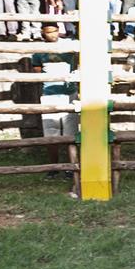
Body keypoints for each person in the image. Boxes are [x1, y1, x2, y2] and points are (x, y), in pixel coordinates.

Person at [30, 22, 79, 182]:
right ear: (43, 33)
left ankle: (71, 168)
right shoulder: (39, 50)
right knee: (51, 133)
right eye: (49, 32)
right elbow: (36, 70)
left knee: (70, 133)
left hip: (69, 93)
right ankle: (53, 168)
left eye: (55, 31)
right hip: (49, 94)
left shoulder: (70, 45)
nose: (52, 34)